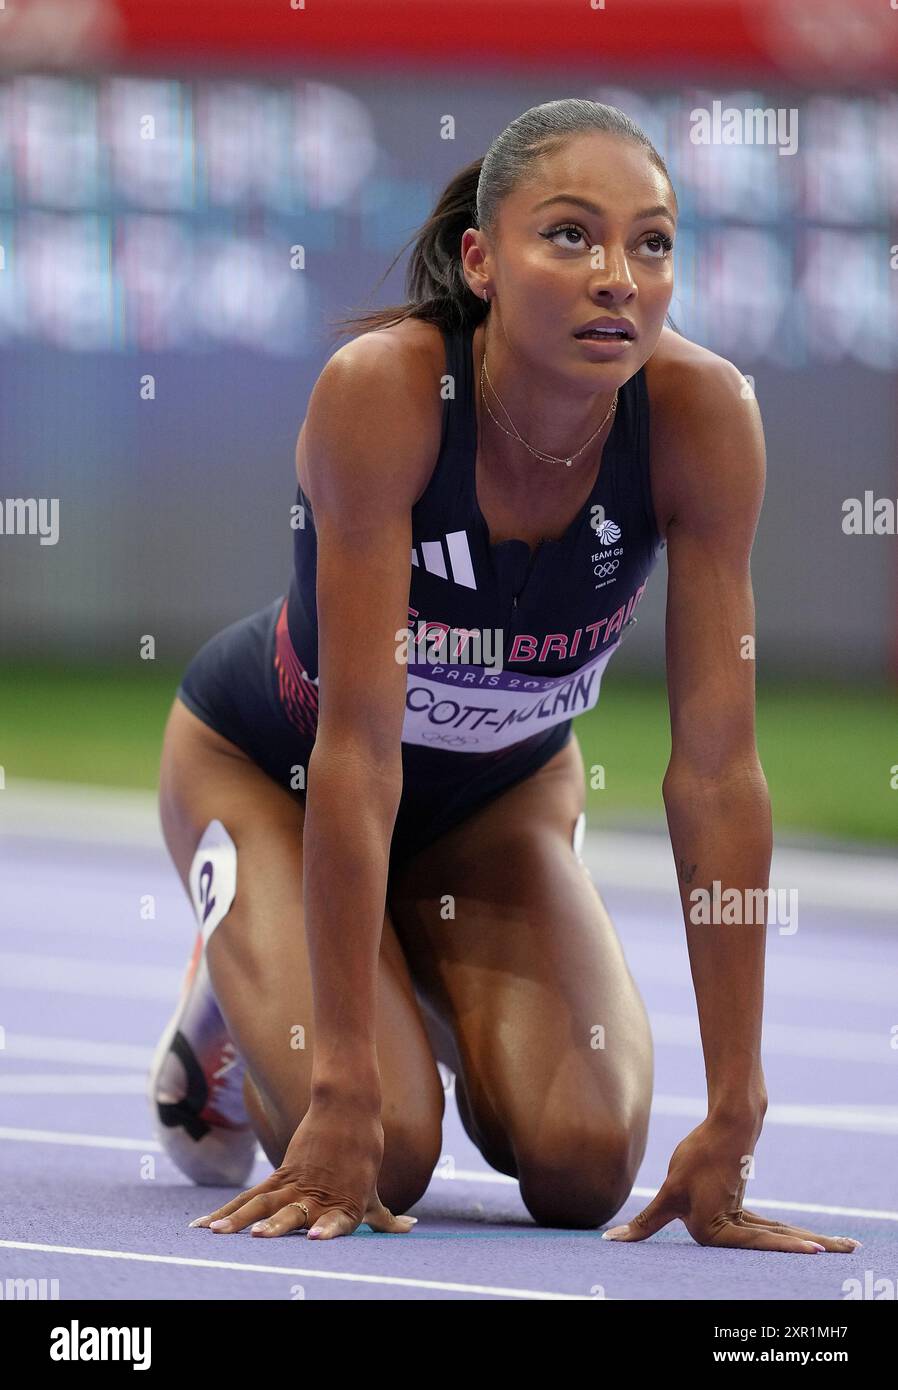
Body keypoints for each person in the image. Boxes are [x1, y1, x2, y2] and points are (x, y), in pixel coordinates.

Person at [150, 98, 859, 1254]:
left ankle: (409, 955)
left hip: (499, 799)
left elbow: (718, 776)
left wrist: (735, 1107)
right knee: (381, 1149)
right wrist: (334, 1090)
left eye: (652, 242)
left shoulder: (702, 418)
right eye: (571, 235)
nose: (618, 276)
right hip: (277, 769)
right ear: (479, 260)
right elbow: (359, 750)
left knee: (583, 1165)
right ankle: (230, 994)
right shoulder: (382, 394)